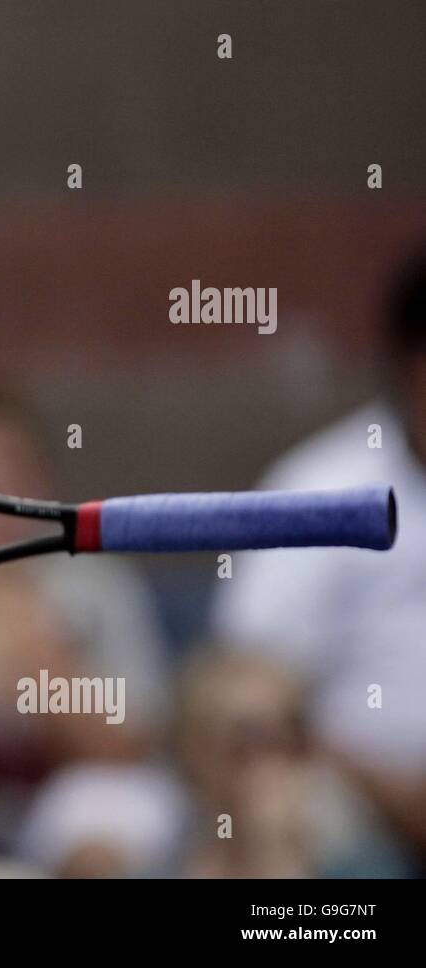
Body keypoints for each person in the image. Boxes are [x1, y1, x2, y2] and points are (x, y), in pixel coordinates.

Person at [212, 243, 426, 867]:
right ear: (409, 366)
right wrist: (387, 789)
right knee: (279, 803)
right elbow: (248, 695)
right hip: (350, 788)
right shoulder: (318, 490)